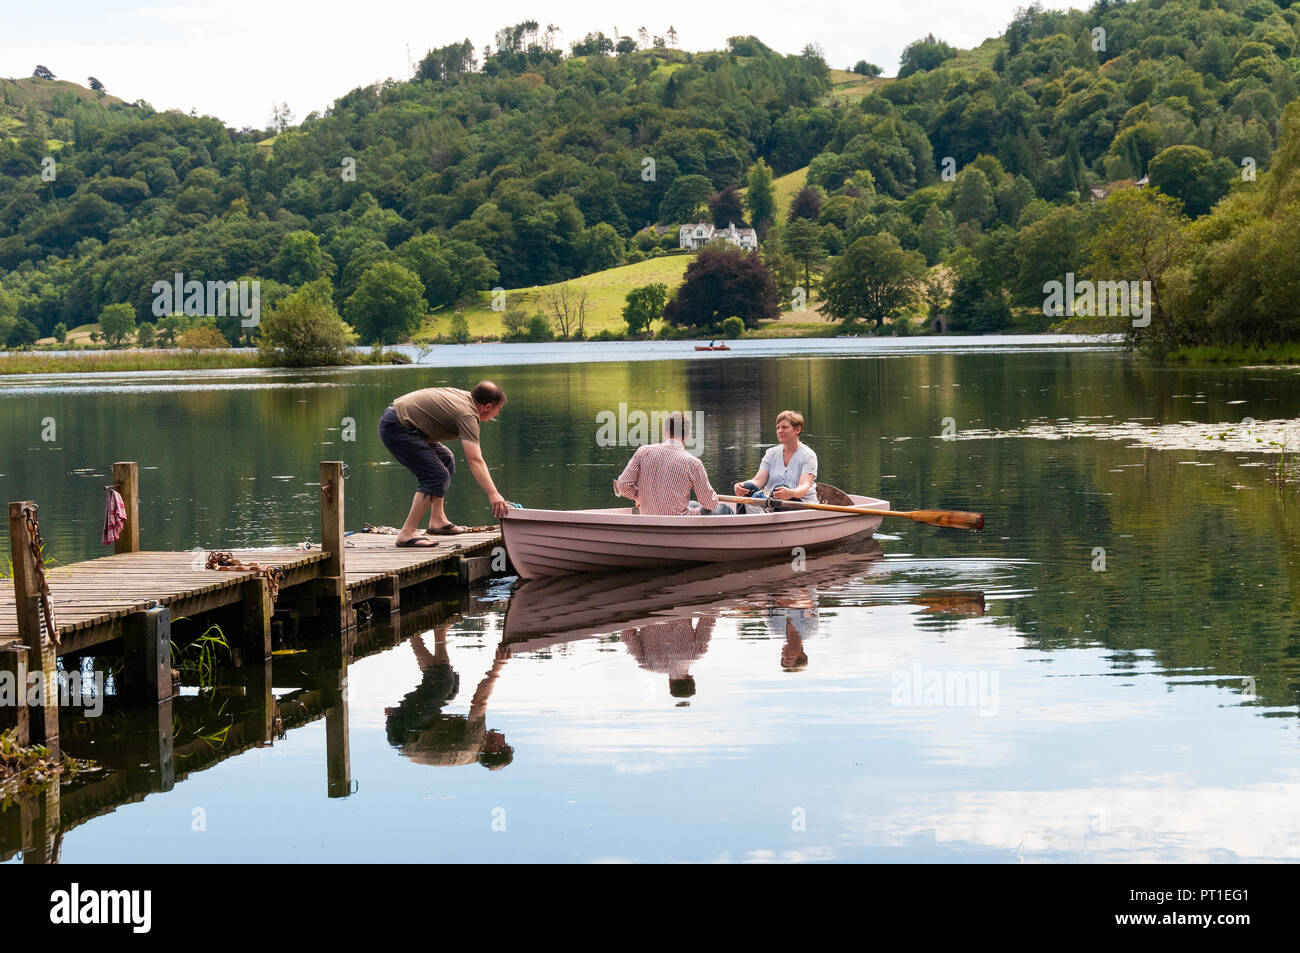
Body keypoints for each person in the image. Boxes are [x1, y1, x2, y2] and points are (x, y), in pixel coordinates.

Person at [379, 381, 510, 547]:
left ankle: (437, 521)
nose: (497, 414)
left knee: (446, 459)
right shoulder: (467, 415)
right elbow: (475, 460)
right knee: (435, 476)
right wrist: (493, 494)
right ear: (487, 406)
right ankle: (407, 532)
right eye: (498, 409)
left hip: (401, 420)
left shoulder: (466, 398)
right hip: (397, 426)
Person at [614, 411, 733, 515]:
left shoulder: (643, 452)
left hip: (647, 516)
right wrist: (714, 497)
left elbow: (623, 485)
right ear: (687, 435)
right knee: (725, 509)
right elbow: (710, 505)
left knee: (692, 503)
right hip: (678, 520)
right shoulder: (693, 463)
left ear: (665, 431)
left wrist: (638, 497)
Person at [733, 410, 818, 508]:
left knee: (780, 489)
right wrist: (741, 485)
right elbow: (758, 481)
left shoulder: (808, 455)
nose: (780, 431)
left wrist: (791, 493)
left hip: (800, 504)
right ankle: (741, 520)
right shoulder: (771, 453)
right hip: (771, 503)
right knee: (747, 487)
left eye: (784, 427)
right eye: (778, 428)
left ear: (797, 429)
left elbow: (804, 487)